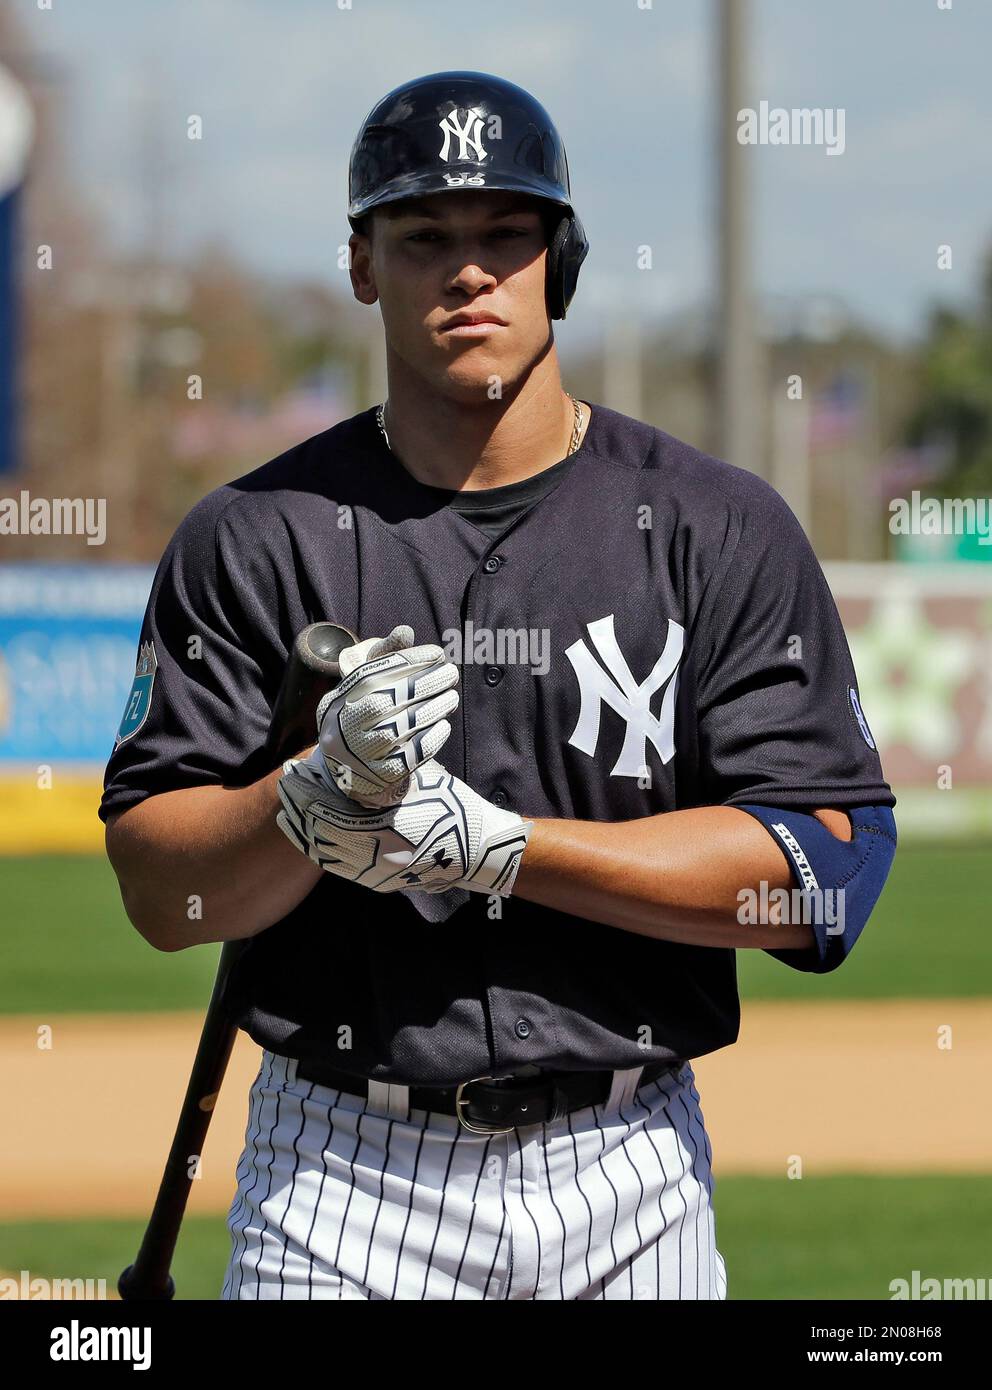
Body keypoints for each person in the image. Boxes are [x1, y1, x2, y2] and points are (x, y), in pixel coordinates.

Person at [101, 70, 897, 1301]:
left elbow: (824, 870)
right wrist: (307, 806)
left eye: (504, 235)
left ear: (556, 263)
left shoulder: (712, 525)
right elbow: (163, 890)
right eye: (421, 236)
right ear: (363, 266)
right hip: (338, 1174)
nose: (466, 270)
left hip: (628, 1160)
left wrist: (507, 850)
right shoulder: (255, 535)